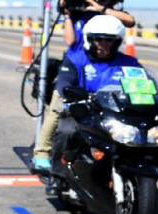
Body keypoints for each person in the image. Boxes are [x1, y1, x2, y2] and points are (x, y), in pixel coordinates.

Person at [32, 0, 135, 170]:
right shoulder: (76, 16)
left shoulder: (106, 15)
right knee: (58, 107)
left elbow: (129, 21)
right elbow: (70, 41)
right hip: (77, 64)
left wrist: (100, 8)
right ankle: (41, 152)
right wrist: (67, 14)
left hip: (104, 65)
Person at [49, 14, 141, 161]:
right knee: (67, 131)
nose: (103, 44)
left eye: (109, 40)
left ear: (117, 42)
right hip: (83, 110)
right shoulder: (76, 59)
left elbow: (143, 82)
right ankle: (57, 176)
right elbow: (64, 80)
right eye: (98, 39)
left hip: (117, 112)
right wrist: (70, 93)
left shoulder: (129, 62)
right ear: (90, 39)